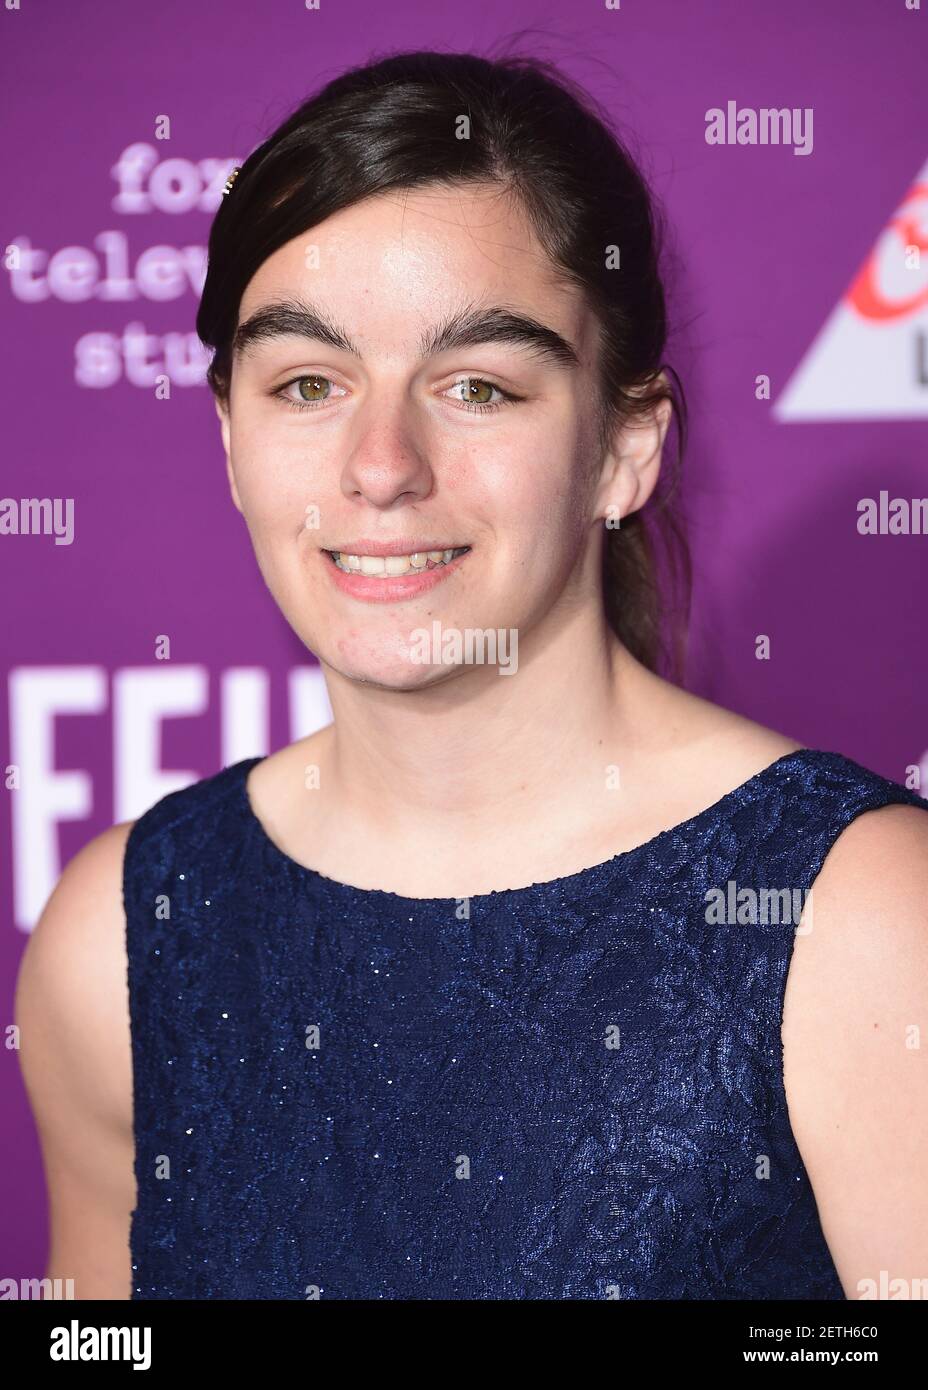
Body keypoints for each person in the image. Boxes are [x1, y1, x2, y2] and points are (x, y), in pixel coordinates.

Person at [16, 48, 928, 1301]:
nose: (381, 464)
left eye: (477, 386)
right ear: (230, 440)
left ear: (623, 446)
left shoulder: (863, 919)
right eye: (309, 384)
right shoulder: (126, 928)